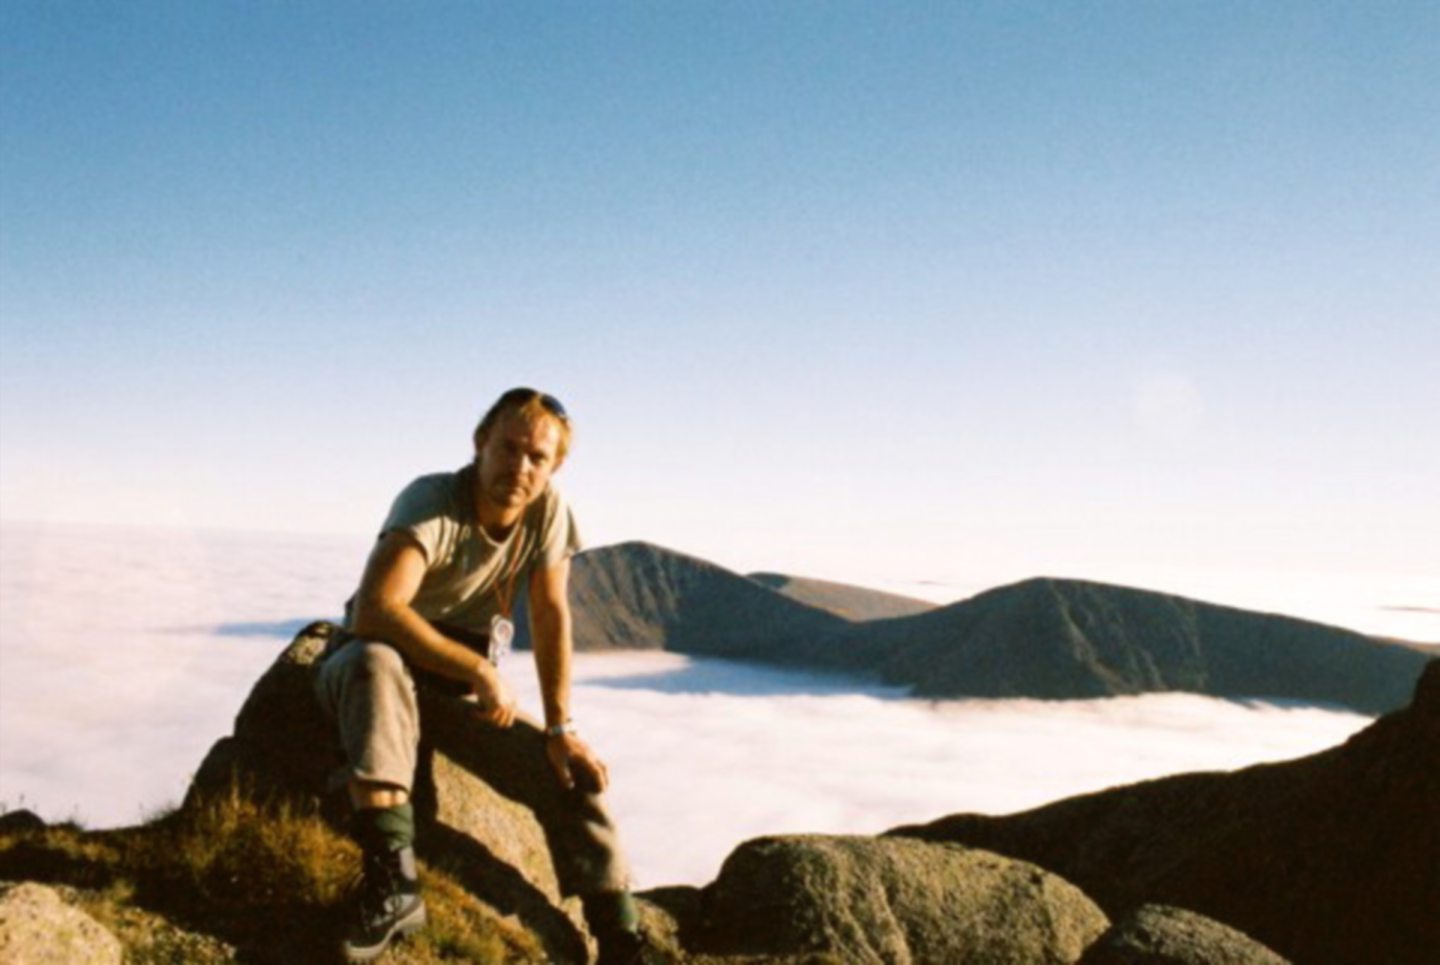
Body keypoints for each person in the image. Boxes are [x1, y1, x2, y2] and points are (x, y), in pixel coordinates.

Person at [314, 387, 650, 963]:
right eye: (508, 448)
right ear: (480, 444)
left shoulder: (548, 512)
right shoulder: (432, 501)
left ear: (555, 466)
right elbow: (376, 609)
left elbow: (550, 615)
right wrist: (476, 666)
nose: (520, 466)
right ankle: (394, 884)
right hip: (376, 666)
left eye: (537, 457)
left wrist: (559, 727)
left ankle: (621, 937)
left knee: (571, 774)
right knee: (375, 662)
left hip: (454, 695)